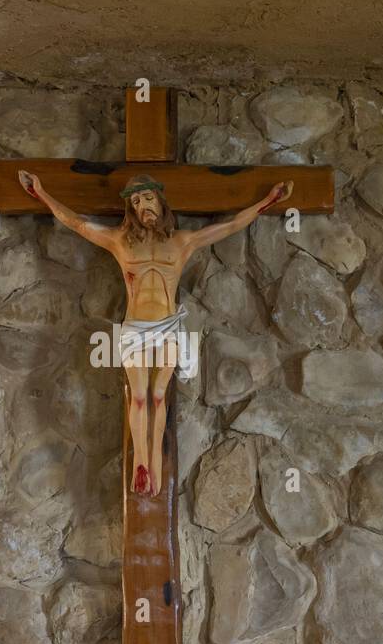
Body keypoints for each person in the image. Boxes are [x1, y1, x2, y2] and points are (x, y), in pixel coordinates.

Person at [19, 170, 290, 497]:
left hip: (167, 328)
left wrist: (268, 200)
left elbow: (230, 225)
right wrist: (41, 192)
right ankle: (141, 465)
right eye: (135, 202)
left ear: (160, 202)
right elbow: (76, 223)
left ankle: (155, 470)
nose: (142, 205)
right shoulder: (120, 242)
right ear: (130, 210)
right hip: (135, 327)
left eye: (147, 198)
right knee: (138, 396)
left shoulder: (182, 242)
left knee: (159, 397)